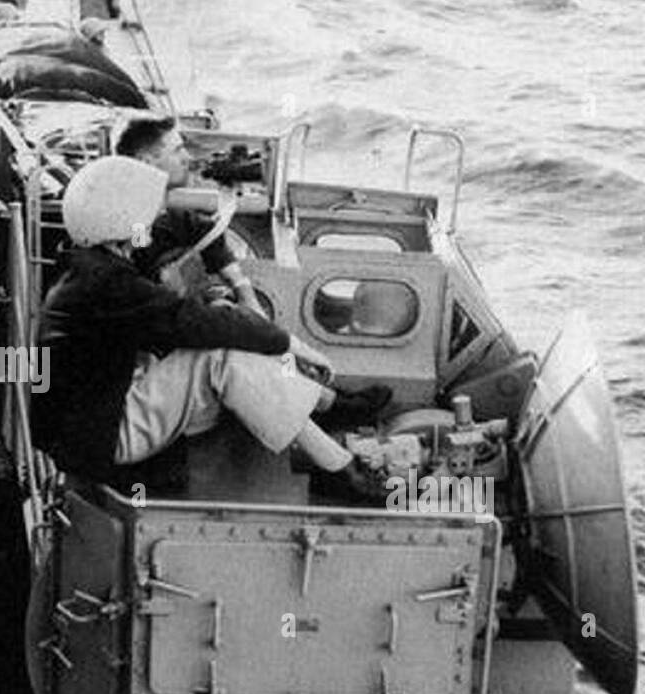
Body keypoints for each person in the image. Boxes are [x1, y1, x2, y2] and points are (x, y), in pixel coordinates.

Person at [32, 155, 385, 500]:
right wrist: (291, 344)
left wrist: (237, 283)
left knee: (227, 328)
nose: (152, 223)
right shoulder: (106, 286)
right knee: (221, 352)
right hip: (102, 437)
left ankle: (324, 406)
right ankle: (338, 467)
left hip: (93, 415)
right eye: (145, 216)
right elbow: (197, 323)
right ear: (123, 219)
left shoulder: (87, 263)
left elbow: (191, 226)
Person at [115, 114, 262, 315]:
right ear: (146, 163)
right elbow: (140, 253)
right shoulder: (135, 225)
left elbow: (209, 237)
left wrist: (244, 291)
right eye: (177, 151)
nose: (188, 158)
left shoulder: (174, 217)